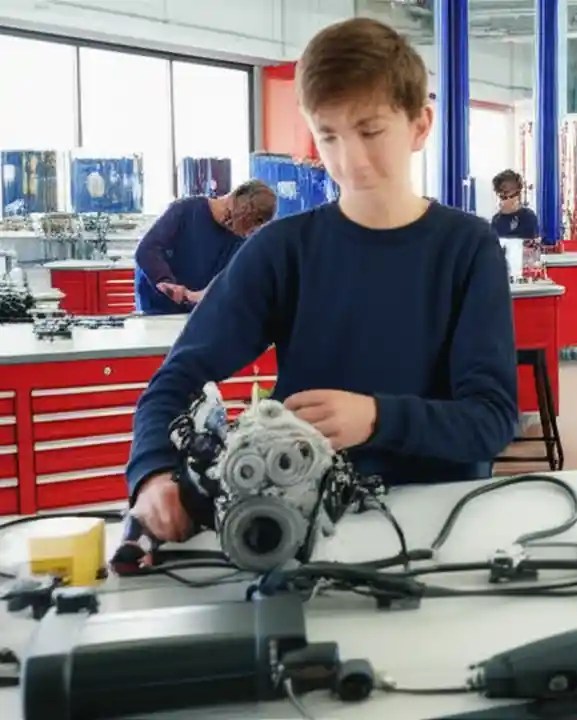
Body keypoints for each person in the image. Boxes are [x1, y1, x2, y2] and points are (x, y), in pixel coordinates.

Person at [125, 17, 518, 542]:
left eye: (370, 131)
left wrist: (377, 418)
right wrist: (152, 473)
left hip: (440, 528)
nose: (350, 160)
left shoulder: (468, 248)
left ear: (420, 125)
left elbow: (490, 421)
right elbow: (178, 378)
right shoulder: (281, 251)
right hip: (304, 528)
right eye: (329, 136)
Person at [134, 180, 277, 314]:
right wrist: (166, 282)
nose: (245, 233)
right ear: (235, 208)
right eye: (245, 225)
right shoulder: (185, 211)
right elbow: (147, 250)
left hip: (201, 313)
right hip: (160, 311)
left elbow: (231, 282)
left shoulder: (239, 238)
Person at [490, 170, 539, 240]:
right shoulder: (496, 220)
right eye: (501, 197)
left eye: (504, 197)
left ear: (517, 194)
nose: (502, 201)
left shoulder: (528, 217)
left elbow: (531, 242)